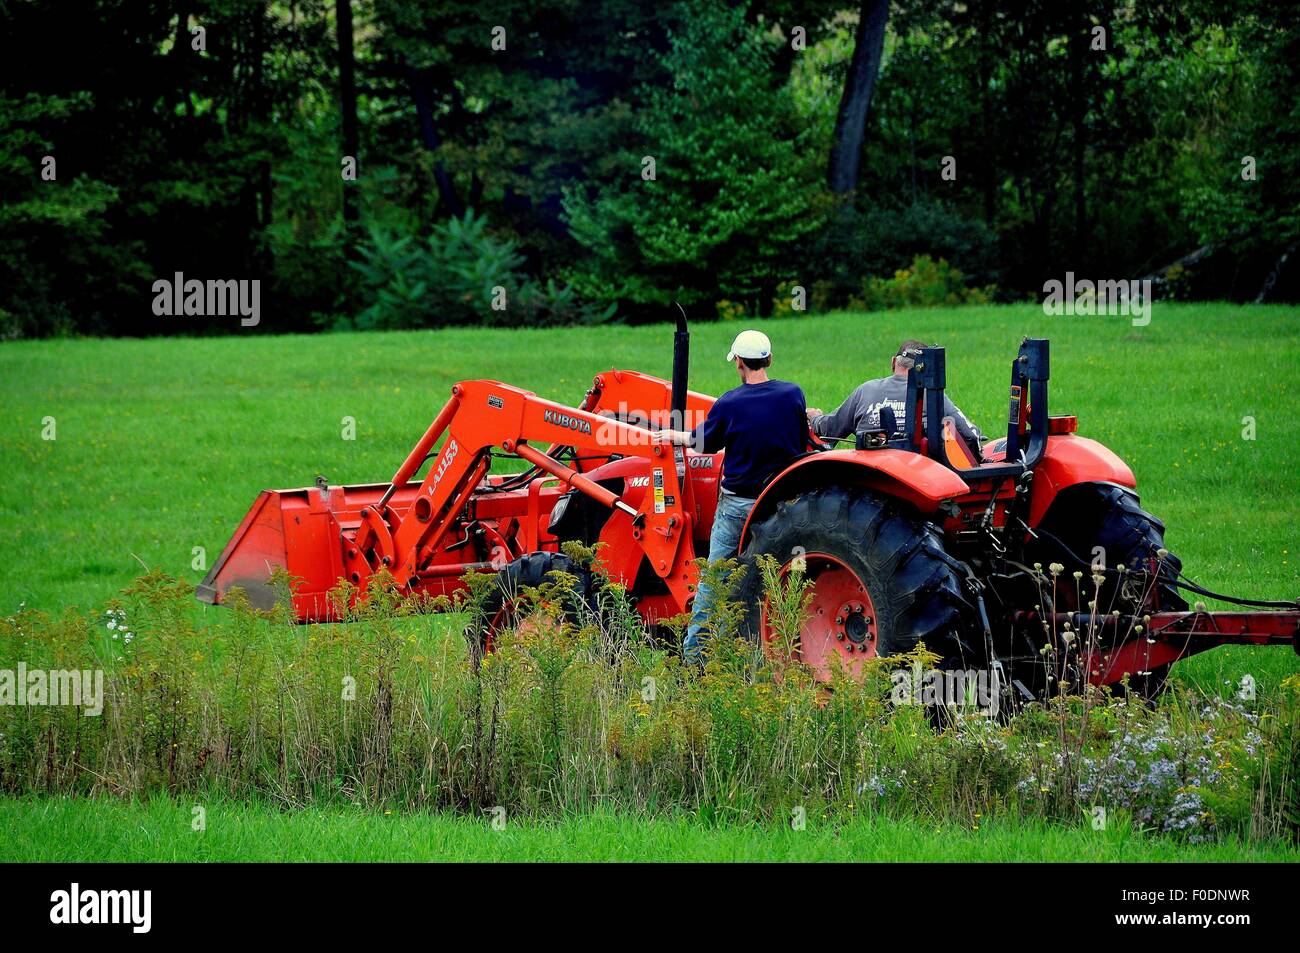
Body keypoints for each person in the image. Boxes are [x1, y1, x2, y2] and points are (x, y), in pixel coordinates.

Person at [655, 328, 807, 662]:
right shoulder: (792, 394)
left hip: (738, 506)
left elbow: (706, 442)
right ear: (768, 359)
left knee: (714, 584)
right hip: (781, 503)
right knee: (773, 581)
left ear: (739, 362)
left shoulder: (729, 403)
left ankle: (696, 661)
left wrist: (674, 435)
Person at [807, 339, 984, 455]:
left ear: (893, 362)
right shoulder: (934, 398)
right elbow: (970, 436)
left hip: (869, 477)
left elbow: (829, 430)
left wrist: (814, 417)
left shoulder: (865, 391)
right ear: (926, 370)